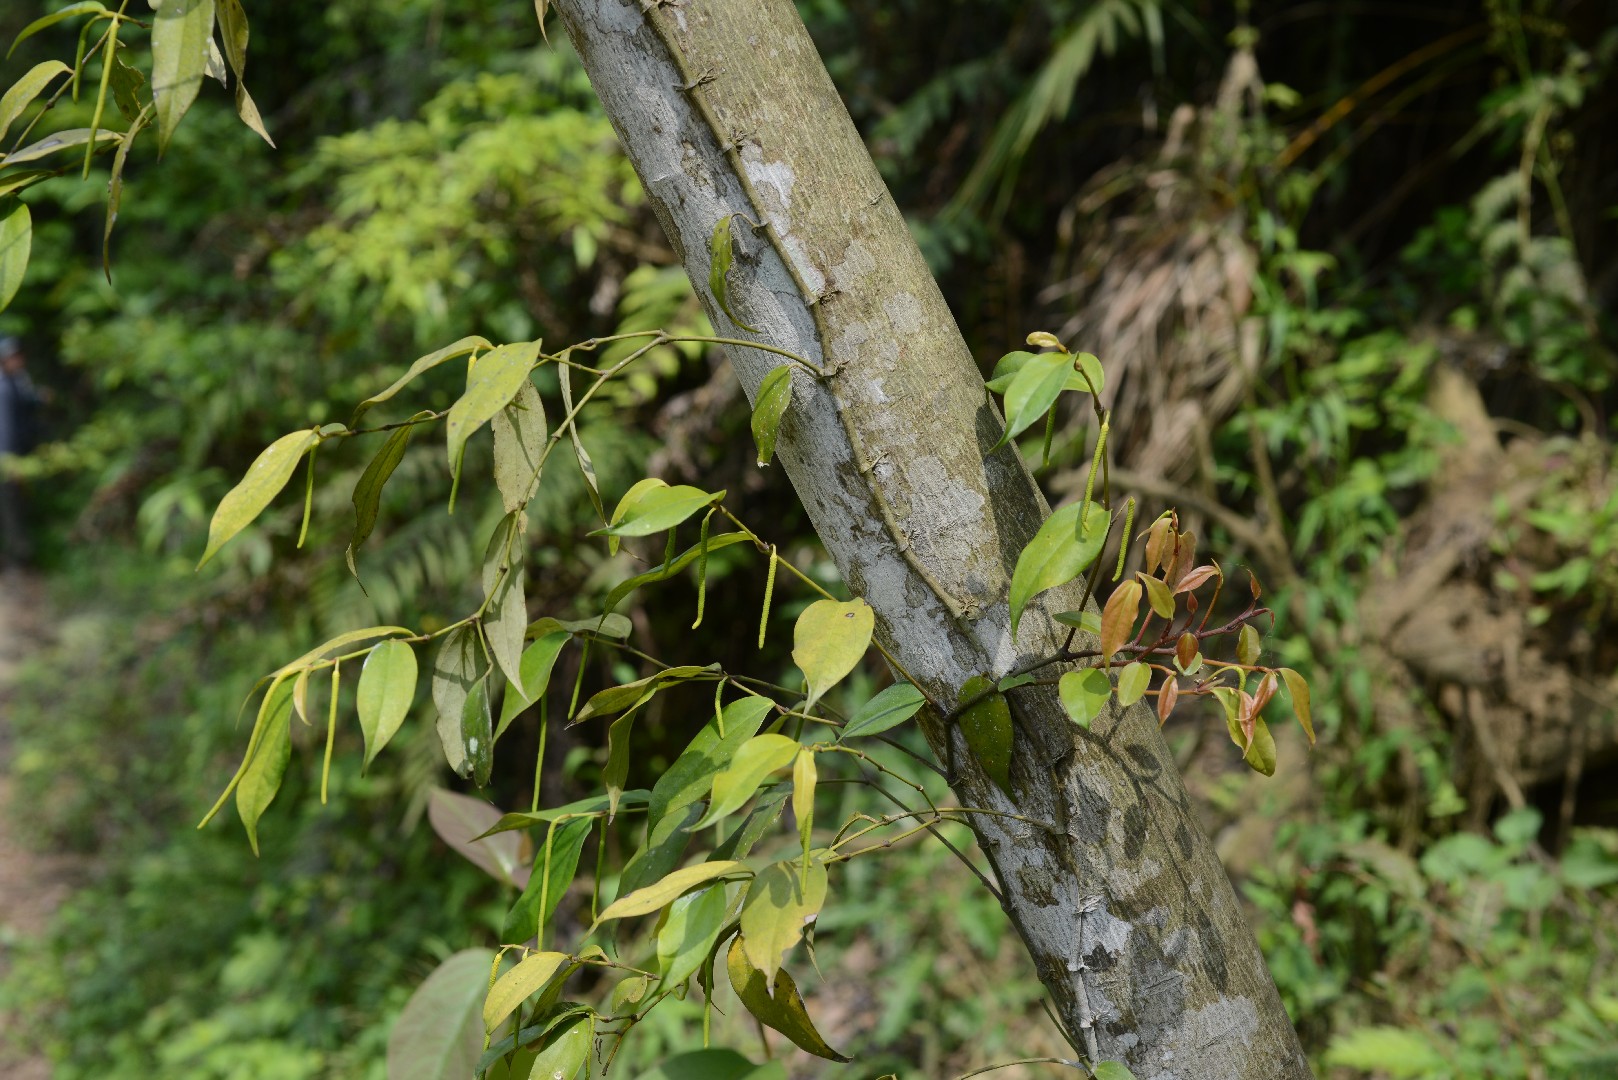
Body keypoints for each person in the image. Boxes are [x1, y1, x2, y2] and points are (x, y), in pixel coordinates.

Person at [0, 336, 42, 568]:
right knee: (11, 508)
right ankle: (18, 560)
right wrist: (9, 462)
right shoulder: (4, 387)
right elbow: (4, 428)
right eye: (12, 357)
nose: (18, 361)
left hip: (18, 457)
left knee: (16, 507)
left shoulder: (18, 381)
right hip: (8, 461)